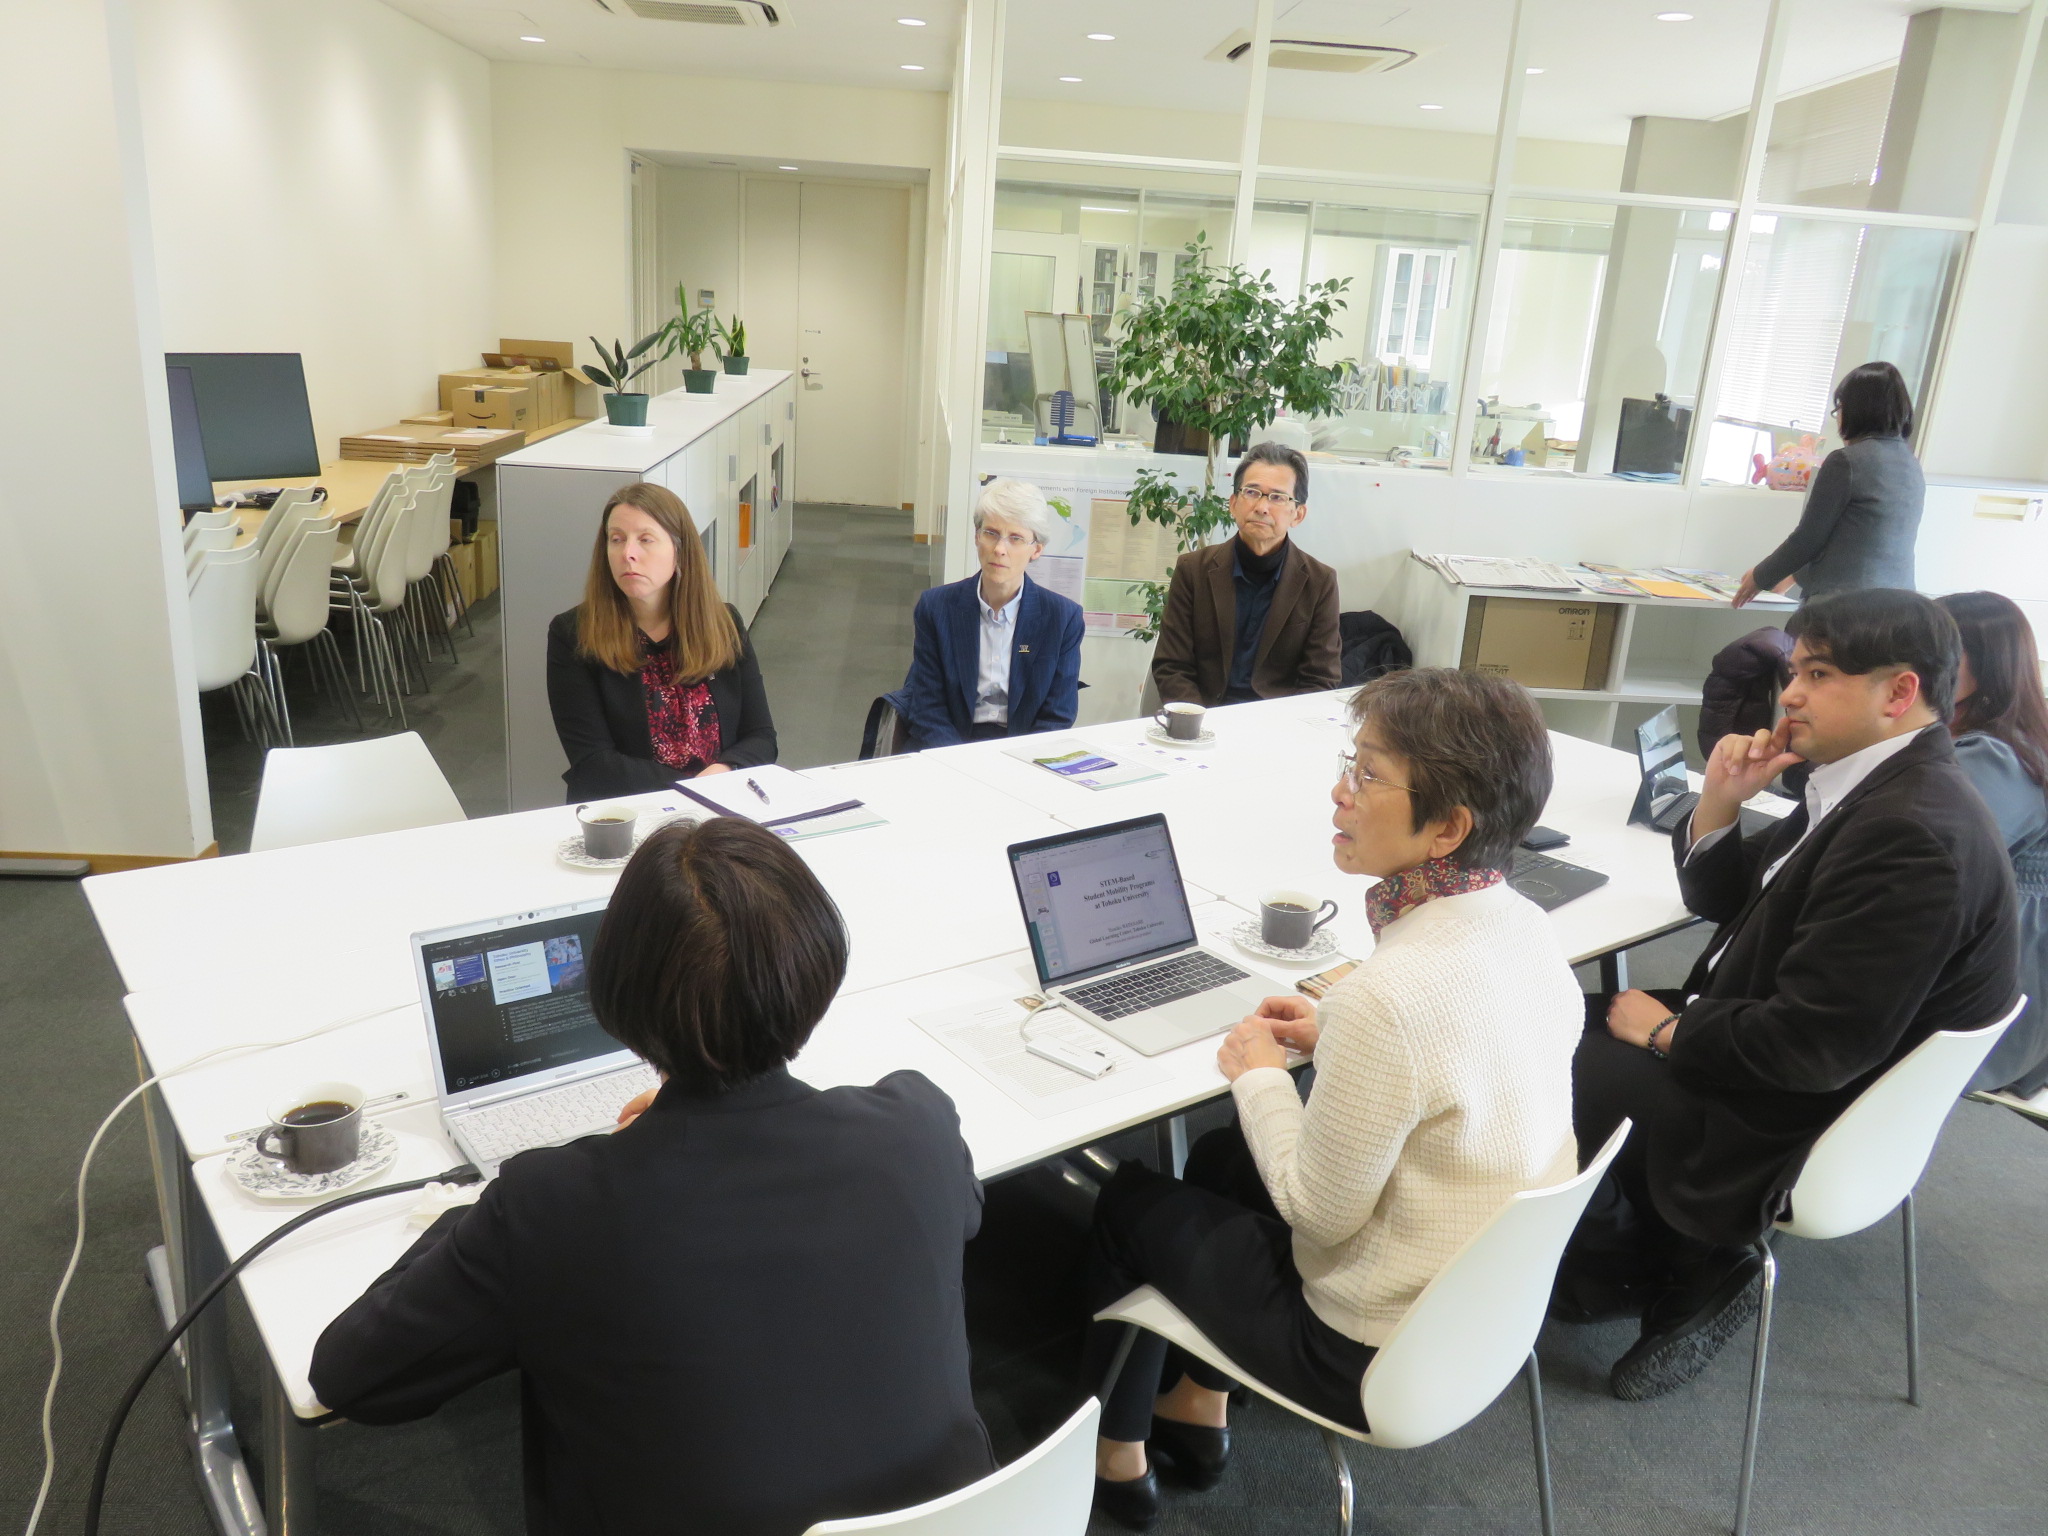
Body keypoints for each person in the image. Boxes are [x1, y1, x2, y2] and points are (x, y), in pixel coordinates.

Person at [309, 817, 993, 1536]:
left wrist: (483, 1213)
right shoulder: (918, 1126)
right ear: (816, 969)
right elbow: (963, 1215)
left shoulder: (549, 1208)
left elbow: (353, 1377)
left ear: (615, 993)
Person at [1081, 669, 1583, 1531]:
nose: (1340, 793)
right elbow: (1469, 1059)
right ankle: (1198, 1406)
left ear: (1448, 828)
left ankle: (1115, 1455)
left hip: (1362, 1350)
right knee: (1223, 1158)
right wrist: (1334, 1040)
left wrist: (1262, 1073)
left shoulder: (1389, 997)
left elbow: (1316, 1212)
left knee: (1127, 1200)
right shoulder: (1527, 928)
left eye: (1369, 774)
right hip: (1480, 1313)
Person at [1564, 588, 2019, 1401]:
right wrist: (1719, 801)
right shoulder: (1875, 783)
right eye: (1795, 671)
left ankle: (1682, 1264)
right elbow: (1731, 900)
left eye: (1818, 674)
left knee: (1550, 1056)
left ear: (1899, 692)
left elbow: (1810, 1051)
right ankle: (1639, 1252)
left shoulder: (1911, 834)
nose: (1790, 695)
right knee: (1567, 1022)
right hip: (1777, 1039)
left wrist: (1668, 1035)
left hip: (1796, 1108)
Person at [546, 481, 775, 801]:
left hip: (719, 803)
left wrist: (725, 771)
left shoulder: (724, 624)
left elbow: (761, 737)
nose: (628, 554)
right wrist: (693, 789)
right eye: (616, 539)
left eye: (645, 539)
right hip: (629, 810)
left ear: (679, 549)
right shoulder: (574, 634)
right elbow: (594, 763)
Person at [1938, 591, 2048, 1096]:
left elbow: (1937, 867)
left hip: (1995, 997)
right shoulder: (2009, 737)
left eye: (1939, 650)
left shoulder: (1993, 756)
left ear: (1987, 666)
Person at [1151, 442, 1341, 708]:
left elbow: (1320, 679)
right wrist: (1197, 720)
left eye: (1277, 497)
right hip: (1202, 713)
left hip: (1276, 721)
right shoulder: (1193, 570)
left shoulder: (1320, 582)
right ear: (1233, 503)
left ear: (1298, 514)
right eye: (1252, 492)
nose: (1262, 507)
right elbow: (1172, 666)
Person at [897, 477, 1084, 748]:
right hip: (950, 745)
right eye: (991, 533)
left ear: (1036, 550)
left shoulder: (1063, 618)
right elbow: (927, 706)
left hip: (1022, 750)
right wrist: (959, 763)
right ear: (977, 537)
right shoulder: (936, 607)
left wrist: (1017, 763)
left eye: (1016, 538)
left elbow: (1058, 715)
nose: (999, 549)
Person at [1733, 362, 1925, 607]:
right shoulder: (1911, 464)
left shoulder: (1846, 462)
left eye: (1840, 408)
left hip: (1844, 607)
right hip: (1900, 605)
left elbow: (1808, 538)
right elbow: (1855, 538)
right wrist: (1793, 576)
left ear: (1857, 410)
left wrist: (1759, 577)